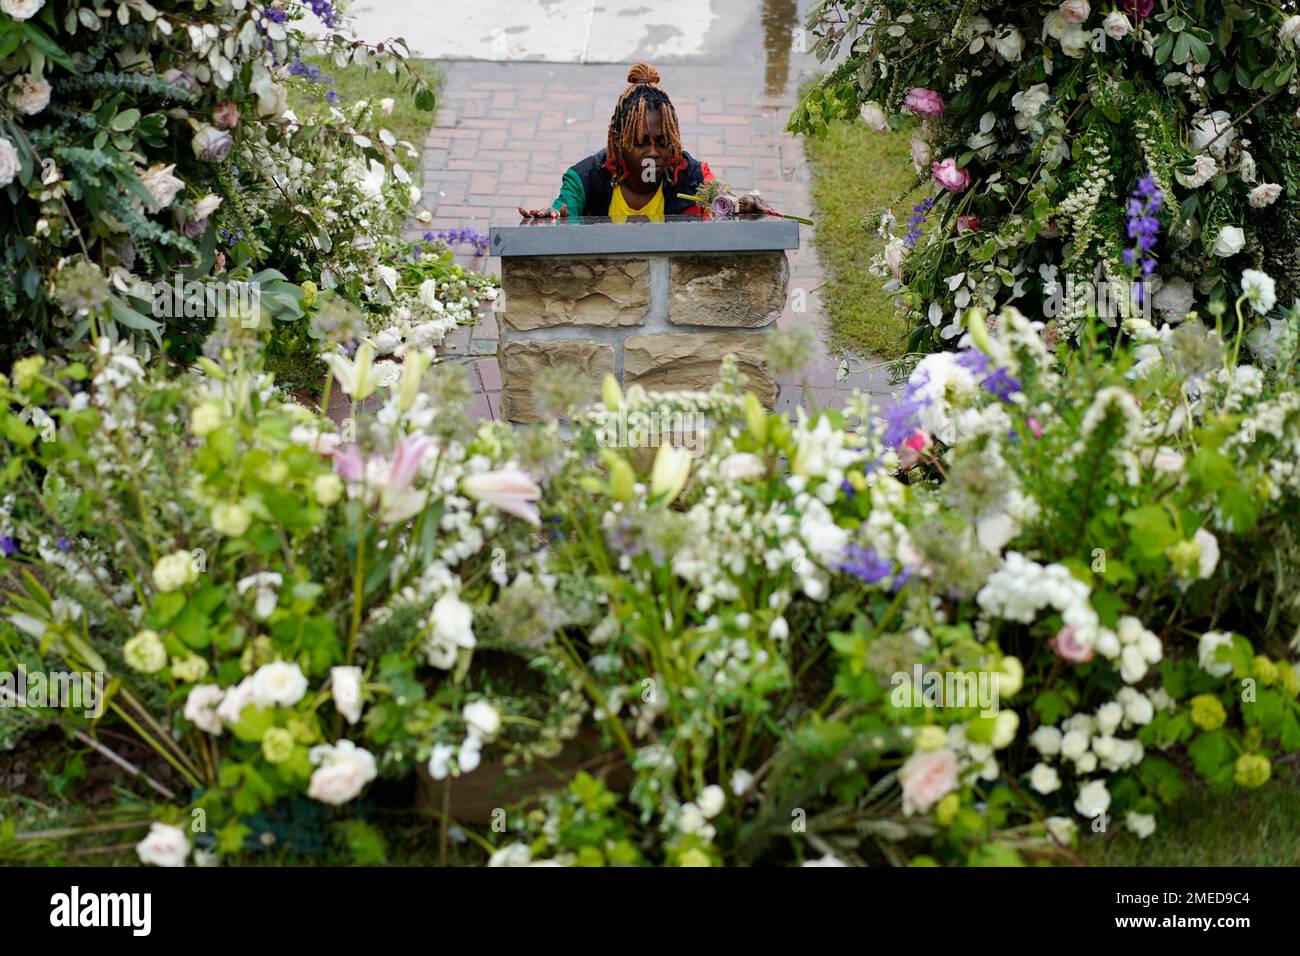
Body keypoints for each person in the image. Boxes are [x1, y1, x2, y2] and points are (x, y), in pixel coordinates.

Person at [517, 62, 771, 222]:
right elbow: (563, 211)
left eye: (663, 142)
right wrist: (552, 221)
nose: (653, 153)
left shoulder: (694, 177)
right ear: (618, 141)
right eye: (640, 143)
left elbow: (724, 210)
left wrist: (741, 209)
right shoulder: (584, 179)